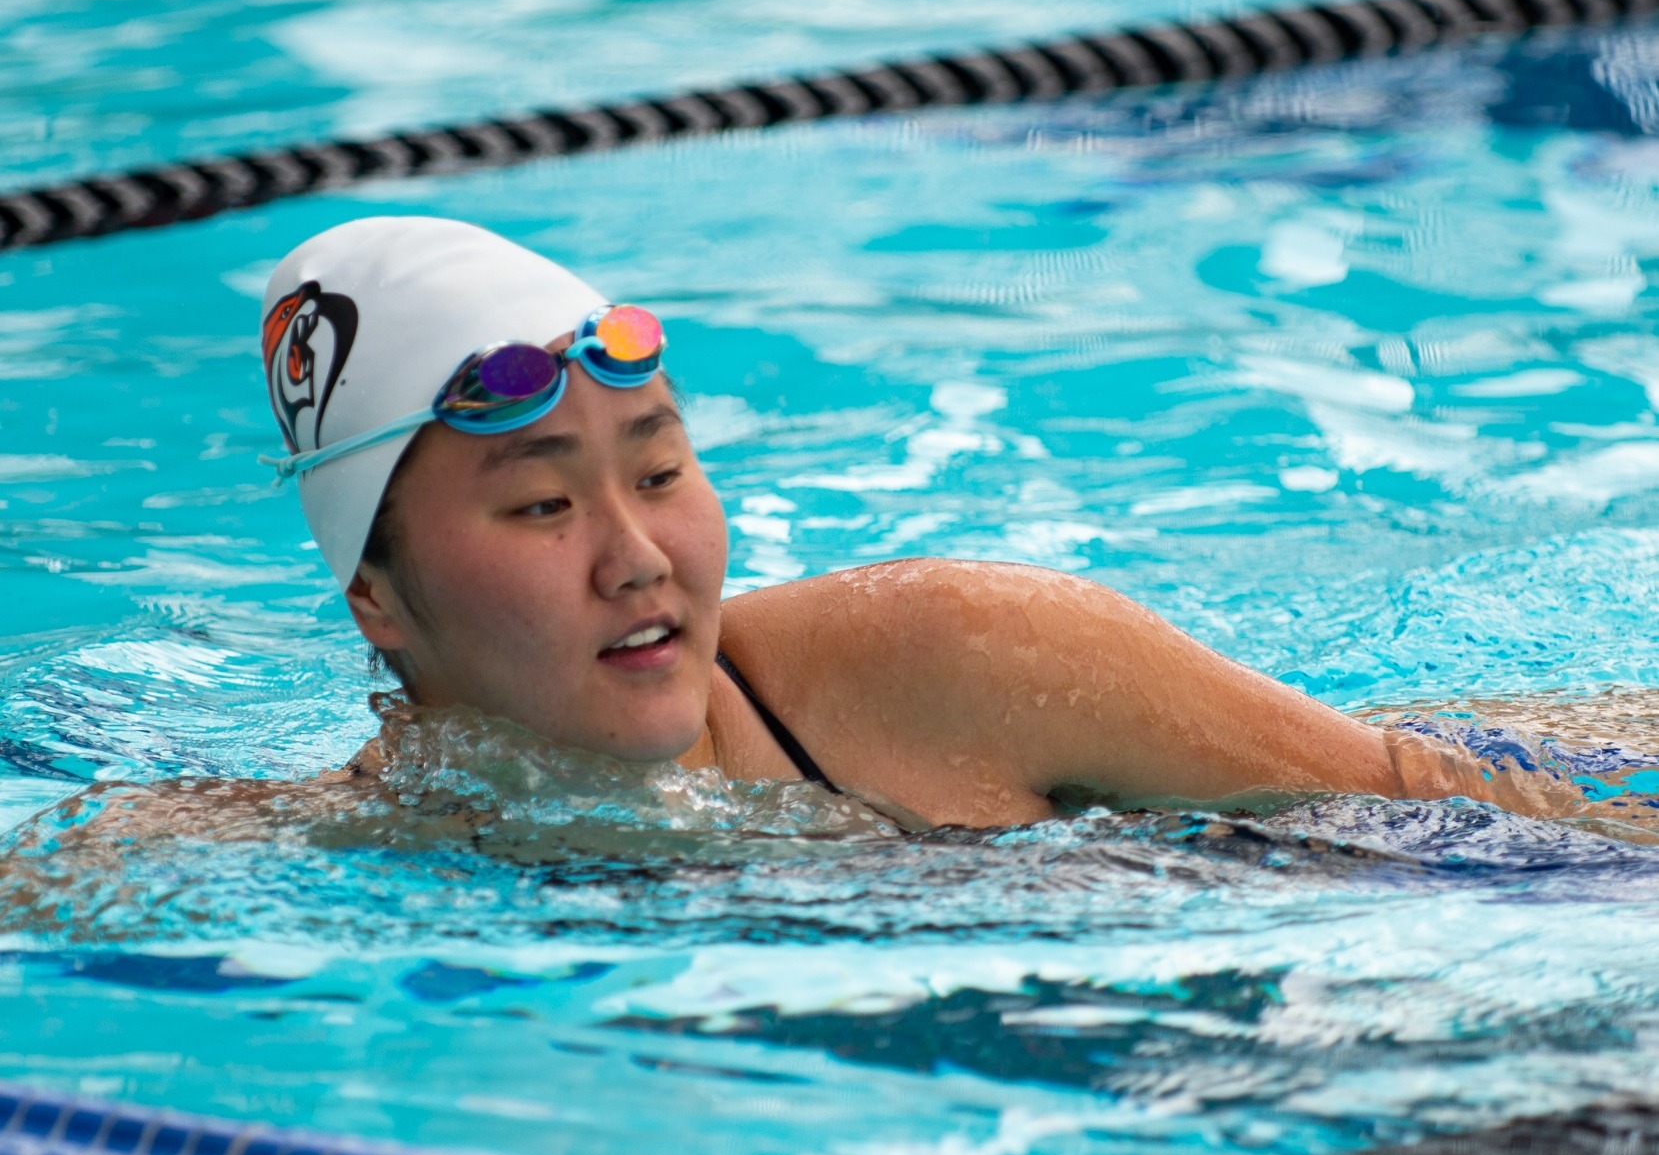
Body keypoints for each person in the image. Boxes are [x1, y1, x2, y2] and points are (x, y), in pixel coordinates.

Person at [217, 214, 1593, 837]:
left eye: (661, 470)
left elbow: (1468, 815)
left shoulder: (963, 653)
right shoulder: (338, 850)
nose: (636, 557)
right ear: (374, 595)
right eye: (540, 503)